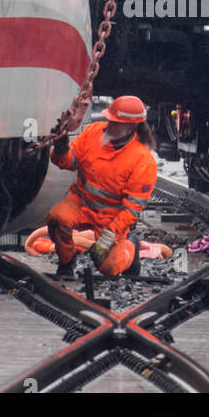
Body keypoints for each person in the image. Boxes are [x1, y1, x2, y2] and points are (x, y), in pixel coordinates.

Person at [47, 95, 157, 279]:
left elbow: (131, 210)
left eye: (115, 122)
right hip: (81, 202)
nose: (109, 124)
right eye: (109, 119)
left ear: (130, 127)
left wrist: (109, 237)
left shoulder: (142, 160)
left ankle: (131, 247)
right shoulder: (93, 133)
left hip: (111, 217)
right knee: (58, 218)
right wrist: (61, 149)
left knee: (109, 267)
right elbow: (67, 162)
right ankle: (66, 262)